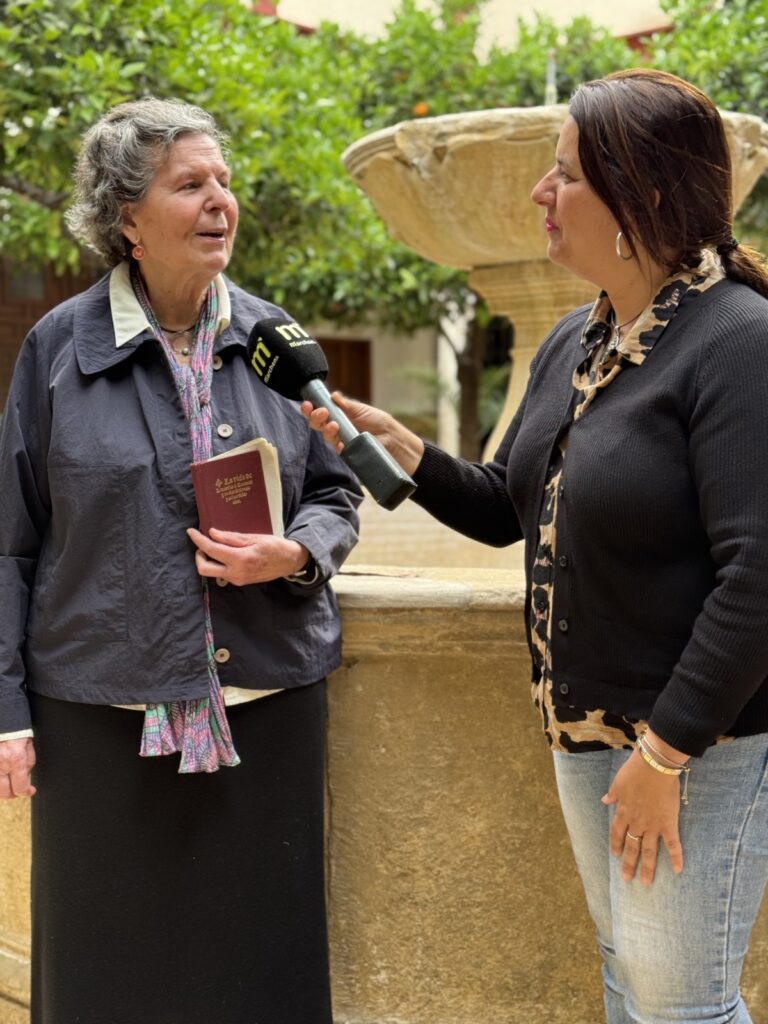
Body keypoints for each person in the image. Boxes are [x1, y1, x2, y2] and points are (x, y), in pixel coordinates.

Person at [305, 69, 768, 1023]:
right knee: (629, 981)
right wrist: (413, 455)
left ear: (639, 195)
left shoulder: (740, 341)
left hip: (696, 745)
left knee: (682, 1003)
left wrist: (667, 754)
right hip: (587, 736)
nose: (538, 196)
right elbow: (507, 508)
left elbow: (759, 572)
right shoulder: (577, 337)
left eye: (562, 176)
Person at [0, 97, 362, 1024]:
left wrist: (296, 553)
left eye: (224, 183)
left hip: (267, 705)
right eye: (190, 184)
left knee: (260, 977)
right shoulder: (57, 351)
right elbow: (13, 540)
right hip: (99, 714)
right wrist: (5, 711)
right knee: (103, 978)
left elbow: (336, 492)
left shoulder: (275, 341)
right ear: (126, 218)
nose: (219, 203)